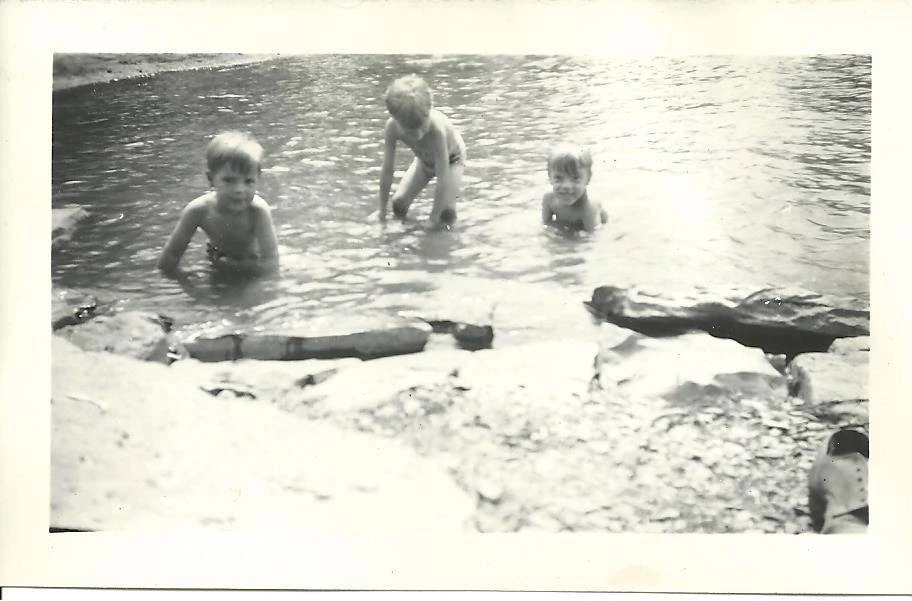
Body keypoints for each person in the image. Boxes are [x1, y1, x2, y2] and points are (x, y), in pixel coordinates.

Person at [158, 131, 279, 276]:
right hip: (219, 259)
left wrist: (266, 290)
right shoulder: (197, 210)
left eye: (248, 181)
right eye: (229, 180)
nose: (239, 190)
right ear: (211, 179)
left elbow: (271, 259)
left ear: (258, 180)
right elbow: (172, 255)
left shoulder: (258, 211)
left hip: (253, 261)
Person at [378, 74, 466, 229]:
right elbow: (387, 171)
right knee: (398, 204)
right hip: (424, 160)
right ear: (395, 119)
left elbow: (442, 179)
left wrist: (432, 218)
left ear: (430, 109)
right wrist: (382, 211)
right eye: (410, 131)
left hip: (452, 159)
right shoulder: (392, 128)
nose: (418, 135)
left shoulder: (437, 131)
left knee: (445, 214)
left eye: (422, 127)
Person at [541, 144, 608, 233]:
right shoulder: (549, 199)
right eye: (558, 178)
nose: (566, 186)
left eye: (575, 178)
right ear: (549, 177)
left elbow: (593, 238)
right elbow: (545, 224)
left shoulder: (588, 207)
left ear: (588, 179)